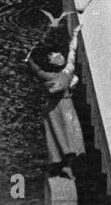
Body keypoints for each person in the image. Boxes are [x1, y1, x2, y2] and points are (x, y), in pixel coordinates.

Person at [27, 20, 85, 178]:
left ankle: (57, 164)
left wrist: (29, 58)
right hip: (65, 106)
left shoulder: (48, 77)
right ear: (54, 62)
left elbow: (35, 68)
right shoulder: (67, 72)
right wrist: (75, 34)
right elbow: (72, 52)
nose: (58, 55)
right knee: (70, 134)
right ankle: (67, 164)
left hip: (52, 108)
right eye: (54, 56)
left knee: (55, 135)